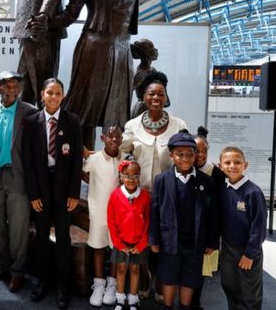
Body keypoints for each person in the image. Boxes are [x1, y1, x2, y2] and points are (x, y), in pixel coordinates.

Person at [50, 0, 140, 149]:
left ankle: (115, 167)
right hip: (94, 46)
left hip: (122, 50)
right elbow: (71, 14)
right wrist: (45, 19)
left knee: (117, 113)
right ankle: (82, 165)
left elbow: (131, 26)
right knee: (85, 112)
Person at [22, 78, 83, 308]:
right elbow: (27, 161)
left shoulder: (72, 121)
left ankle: (62, 286)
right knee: (40, 238)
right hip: (40, 188)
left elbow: (76, 160)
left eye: (58, 93)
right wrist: (33, 194)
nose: (54, 97)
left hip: (64, 190)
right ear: (42, 95)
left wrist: (74, 193)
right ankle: (42, 281)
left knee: (63, 240)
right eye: (50, 92)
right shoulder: (31, 122)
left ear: (63, 96)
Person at [149, 133, 219, 309]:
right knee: (168, 276)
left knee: (190, 278)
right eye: (180, 154)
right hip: (169, 240)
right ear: (171, 156)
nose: (185, 158)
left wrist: (212, 241)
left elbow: (213, 214)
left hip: (195, 242)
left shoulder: (207, 182)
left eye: (190, 154)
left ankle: (185, 307)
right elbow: (155, 211)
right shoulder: (162, 180)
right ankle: (167, 306)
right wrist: (154, 238)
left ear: (195, 155)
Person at [0, 71, 37, 292]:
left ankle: (17, 272)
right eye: (7, 86)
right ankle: (1, 266)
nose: (12, 90)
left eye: (16, 86)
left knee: (18, 229)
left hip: (18, 178)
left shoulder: (30, 113)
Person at [121, 71, 189, 192]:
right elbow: (121, 154)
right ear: (144, 96)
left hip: (171, 192)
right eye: (151, 94)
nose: (156, 98)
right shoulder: (132, 126)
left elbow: (187, 157)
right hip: (139, 193)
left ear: (166, 97)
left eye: (161, 94)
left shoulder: (179, 125)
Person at [218, 147, 267, 310]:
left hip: (247, 251)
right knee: (229, 286)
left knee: (249, 292)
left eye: (237, 162)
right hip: (228, 249)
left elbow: (259, 227)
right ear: (220, 166)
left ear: (245, 164)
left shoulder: (253, 192)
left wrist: (249, 254)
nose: (232, 166)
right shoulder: (223, 190)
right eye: (227, 162)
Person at [83, 123, 123, 307]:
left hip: (120, 216)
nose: (114, 139)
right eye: (110, 135)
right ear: (102, 138)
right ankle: (98, 284)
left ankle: (112, 283)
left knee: (116, 249)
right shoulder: (95, 159)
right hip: (98, 212)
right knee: (98, 248)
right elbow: (82, 172)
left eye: (118, 136)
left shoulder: (125, 159)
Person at [107, 160, 150, 310]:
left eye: (135, 175)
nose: (131, 179)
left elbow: (148, 223)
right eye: (127, 175)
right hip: (121, 242)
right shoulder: (115, 196)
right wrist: (119, 244)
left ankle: (133, 300)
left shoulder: (145, 197)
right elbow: (111, 222)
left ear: (139, 177)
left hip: (138, 243)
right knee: (120, 269)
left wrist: (141, 244)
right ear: (121, 176)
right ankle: (120, 299)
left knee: (135, 269)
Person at [191, 127, 223, 310]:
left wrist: (214, 238)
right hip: (188, 231)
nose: (201, 155)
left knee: (201, 269)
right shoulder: (182, 170)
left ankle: (195, 301)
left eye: (204, 151)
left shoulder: (216, 175)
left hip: (206, 231)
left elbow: (218, 211)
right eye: (197, 151)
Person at [130, 39, 159, 118]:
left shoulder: (151, 70)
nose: (156, 50)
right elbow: (128, 90)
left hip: (151, 108)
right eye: (153, 48)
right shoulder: (141, 73)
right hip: (143, 110)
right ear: (147, 53)